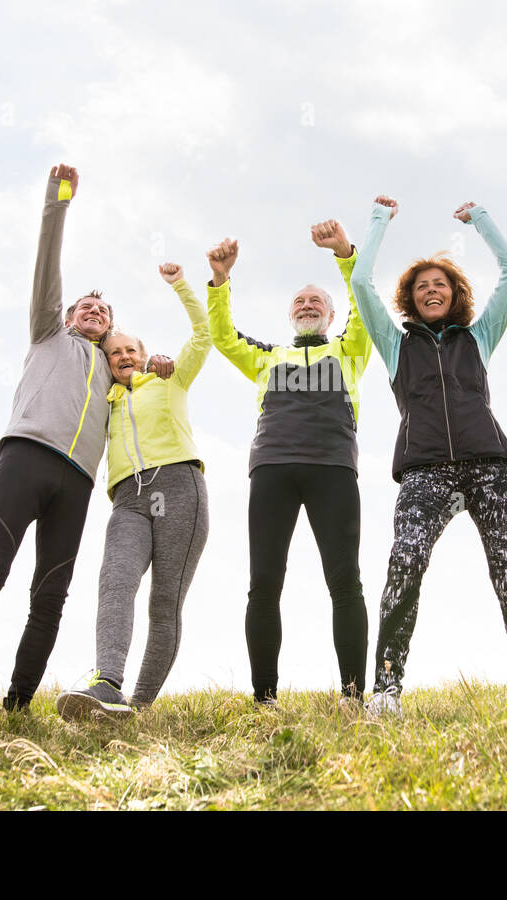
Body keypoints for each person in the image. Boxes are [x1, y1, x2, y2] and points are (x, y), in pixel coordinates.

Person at [0, 164, 172, 726]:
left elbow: (153, 381)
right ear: (66, 316)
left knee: (51, 596)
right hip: (24, 461)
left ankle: (18, 706)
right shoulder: (47, 334)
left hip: (78, 484)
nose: (93, 312)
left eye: (103, 312)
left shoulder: (115, 370)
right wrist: (57, 201)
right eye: (84, 307)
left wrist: (158, 363)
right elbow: (47, 265)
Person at [348, 195, 507, 717]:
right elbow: (360, 284)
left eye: (440, 284)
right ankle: (386, 691)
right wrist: (379, 220)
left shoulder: (478, 337)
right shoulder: (396, 346)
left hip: (491, 468)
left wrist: (480, 219)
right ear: (410, 301)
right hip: (425, 471)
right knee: (404, 565)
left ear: (455, 294)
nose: (431, 290)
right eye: (421, 286)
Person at [205, 226, 372, 706]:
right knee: (264, 583)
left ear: (331, 313)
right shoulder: (267, 357)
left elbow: (365, 305)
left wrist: (345, 255)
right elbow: (222, 336)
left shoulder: (349, 349)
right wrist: (220, 281)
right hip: (273, 469)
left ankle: (352, 695)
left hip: (333, 469)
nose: (306, 306)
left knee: (344, 580)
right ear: (290, 314)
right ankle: (264, 698)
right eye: (299, 302)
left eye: (315, 302)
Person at [57, 261, 212, 718]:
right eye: (114, 353)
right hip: (128, 499)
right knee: (116, 581)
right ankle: (107, 684)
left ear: (143, 355)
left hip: (179, 488)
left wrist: (179, 285)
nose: (122, 357)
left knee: (164, 601)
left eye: (130, 350)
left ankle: (138, 706)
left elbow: (203, 335)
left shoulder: (169, 380)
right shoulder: (105, 399)